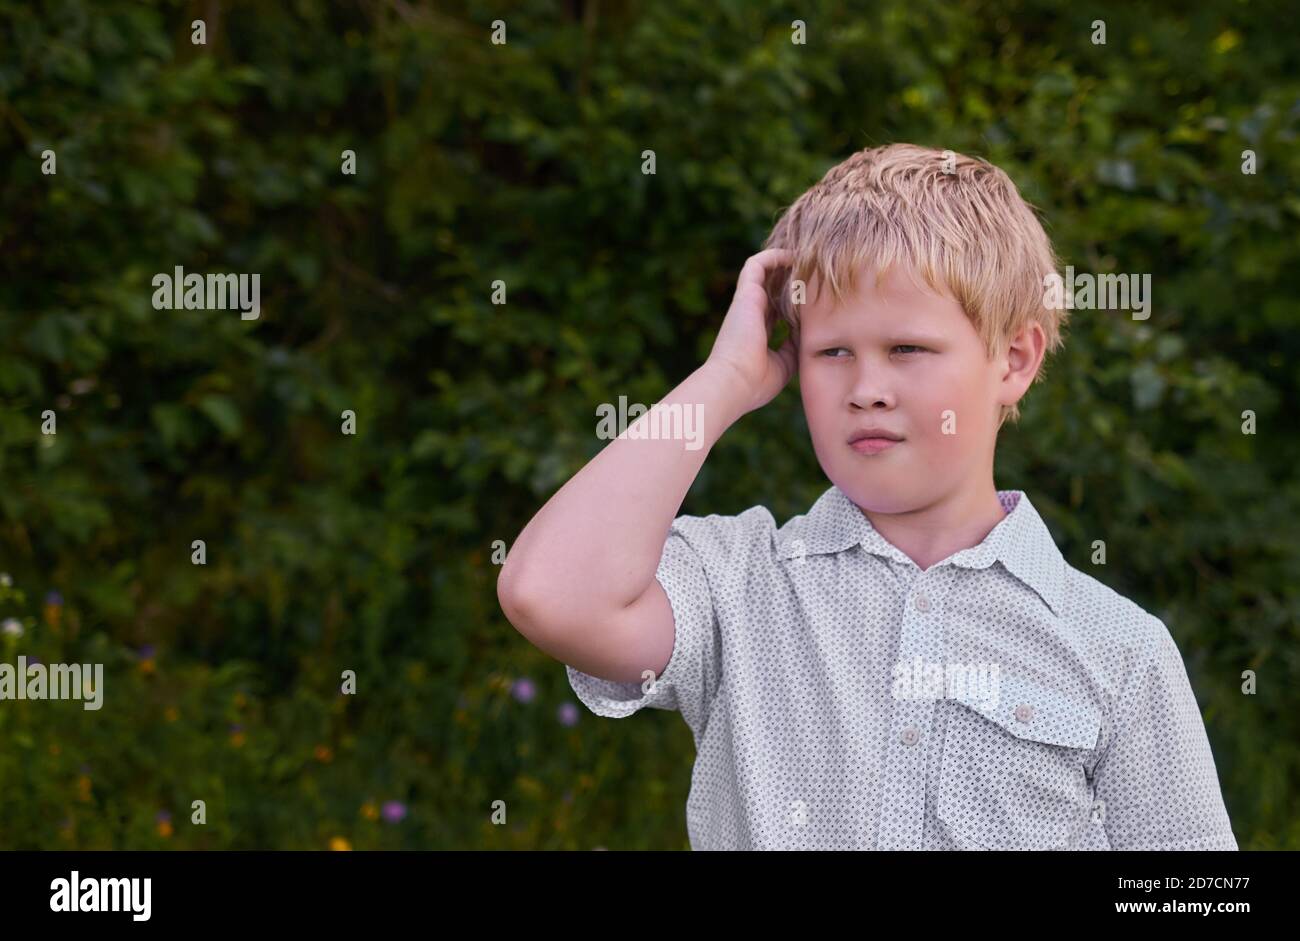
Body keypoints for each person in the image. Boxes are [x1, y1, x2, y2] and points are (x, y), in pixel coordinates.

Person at [496, 143, 1238, 851]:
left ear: (1013, 359)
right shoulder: (739, 582)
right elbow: (549, 592)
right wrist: (724, 381)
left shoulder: (1118, 650)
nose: (867, 390)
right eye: (832, 352)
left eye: (907, 349)